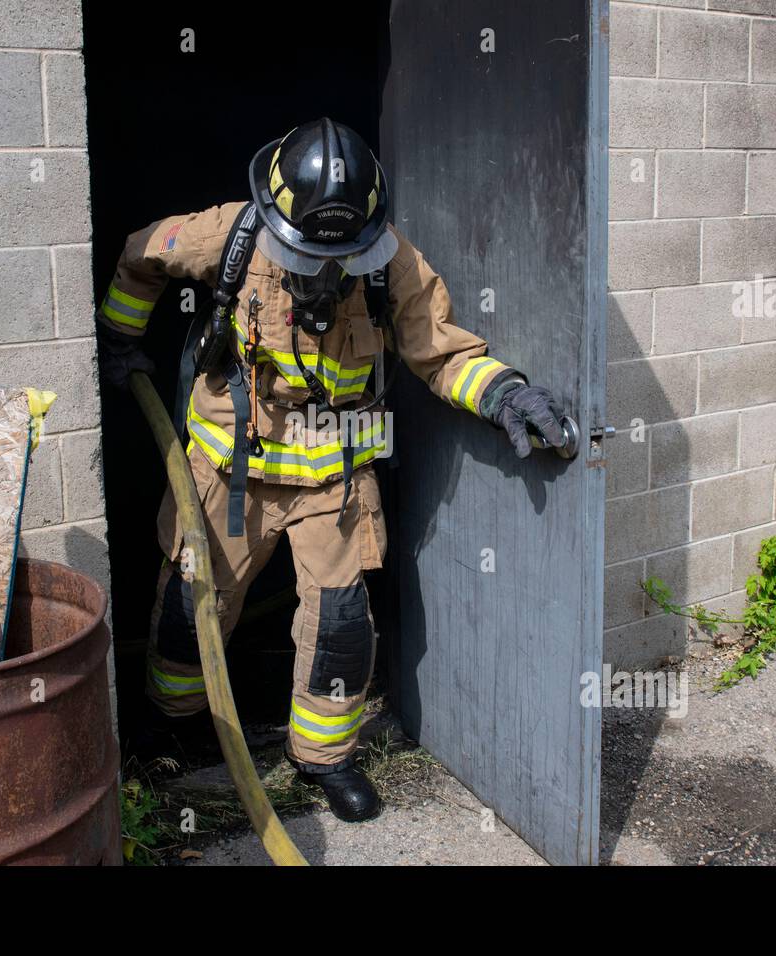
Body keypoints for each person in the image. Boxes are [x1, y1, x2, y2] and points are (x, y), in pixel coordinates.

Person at [97, 118, 575, 822]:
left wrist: (505, 391)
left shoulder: (392, 263)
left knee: (342, 623)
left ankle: (324, 758)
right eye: (307, 256)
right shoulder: (227, 235)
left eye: (342, 257)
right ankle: (173, 727)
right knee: (189, 610)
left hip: (335, 479)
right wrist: (119, 338)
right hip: (231, 471)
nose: (325, 275)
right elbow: (141, 256)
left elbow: (441, 352)